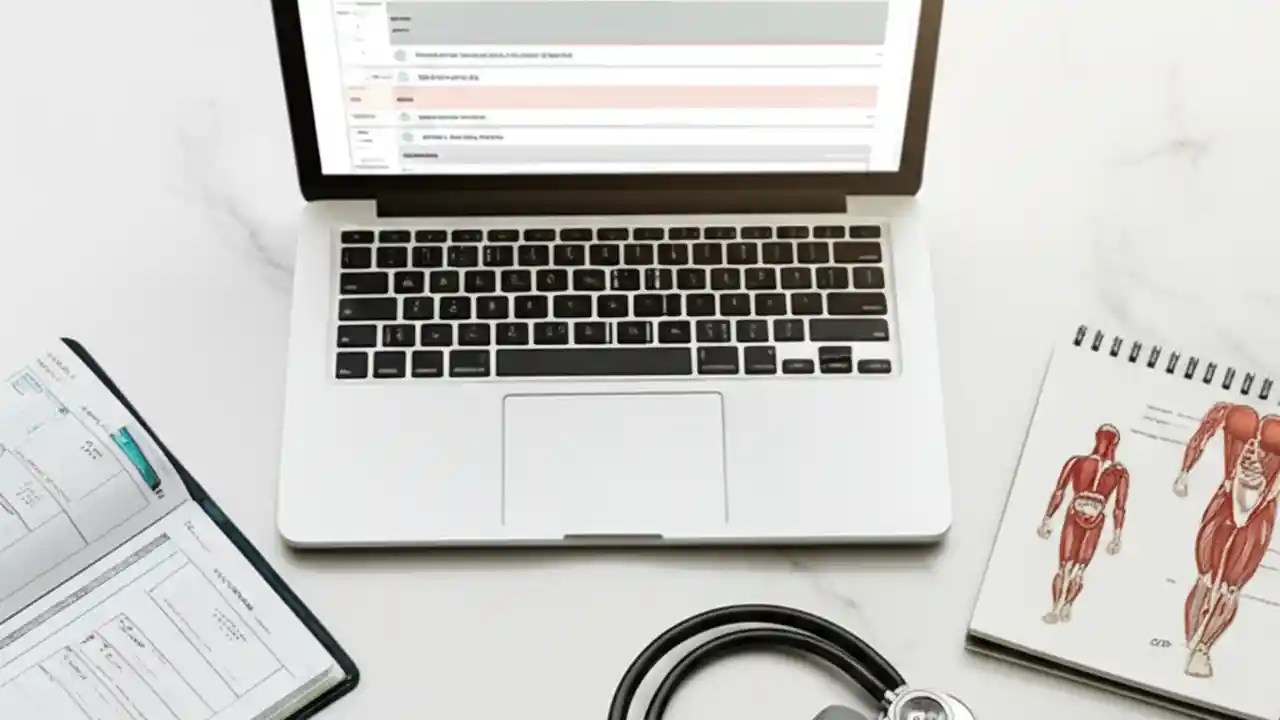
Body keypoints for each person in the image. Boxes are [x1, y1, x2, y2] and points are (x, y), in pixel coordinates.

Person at [1175, 402, 1280, 678]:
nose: (1254, 451)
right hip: (1228, 495)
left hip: (1261, 508)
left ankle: (1202, 648)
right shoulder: (1235, 414)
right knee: (1207, 577)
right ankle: (1191, 644)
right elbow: (1205, 429)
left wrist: (1185, 473)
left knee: (1229, 586)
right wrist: (1185, 471)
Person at [1037, 424, 1129, 624]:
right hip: (1085, 515)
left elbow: (1059, 492)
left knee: (1072, 567)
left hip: (1085, 516)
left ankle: (1062, 606)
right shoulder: (1116, 471)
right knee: (1072, 567)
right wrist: (1117, 536)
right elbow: (1119, 508)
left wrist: (1047, 518)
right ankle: (1061, 606)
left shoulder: (1091, 464)